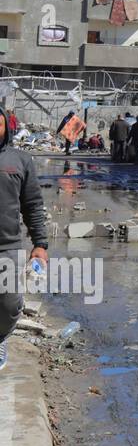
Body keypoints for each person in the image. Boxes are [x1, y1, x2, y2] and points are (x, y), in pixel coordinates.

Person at [0, 106, 49, 373]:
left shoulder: (20, 160)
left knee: (8, 304)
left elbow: (32, 205)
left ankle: (0, 338)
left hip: (7, 247)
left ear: (6, 127)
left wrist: (40, 244)